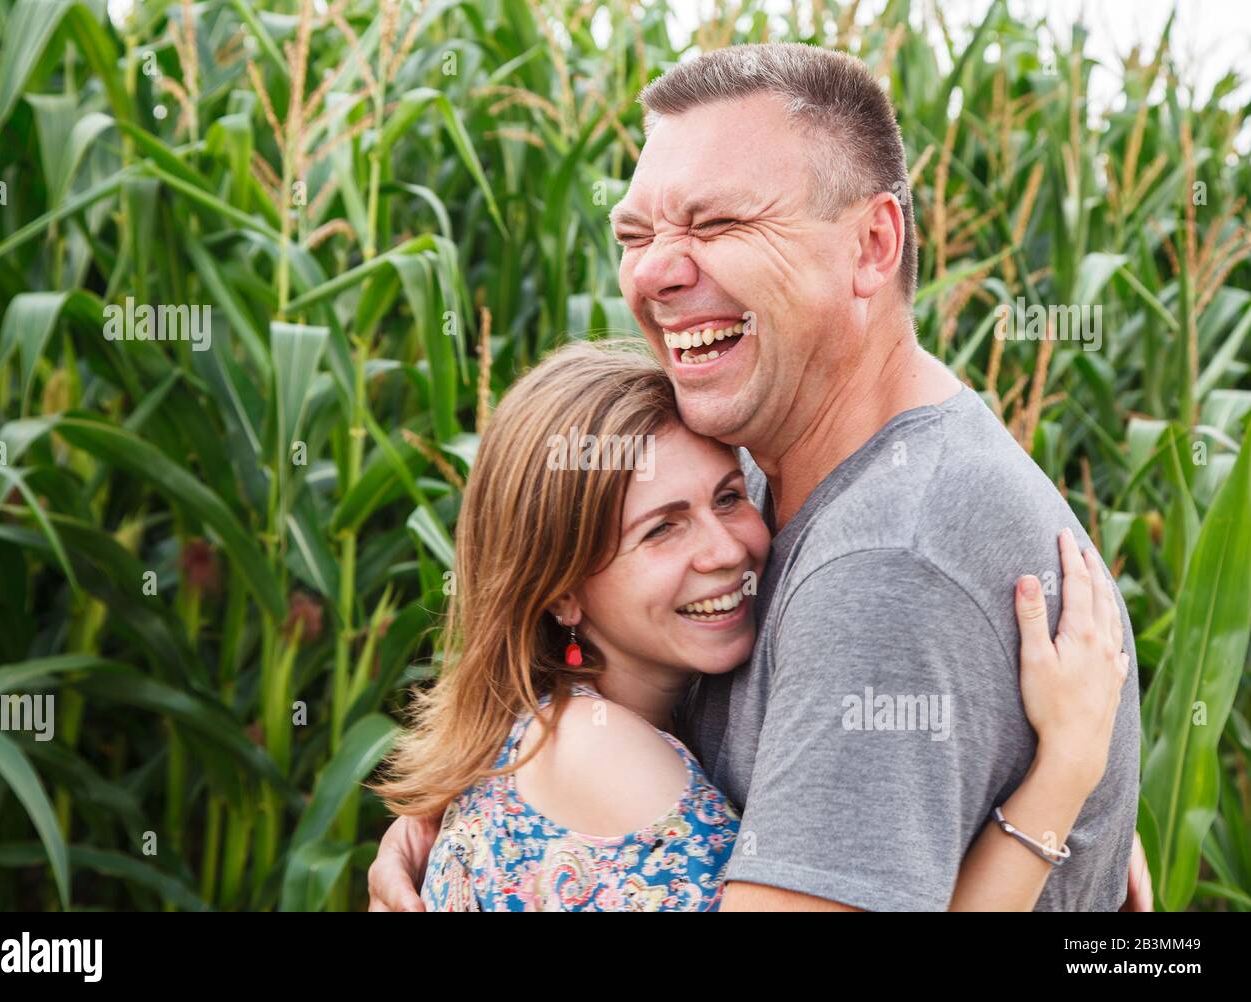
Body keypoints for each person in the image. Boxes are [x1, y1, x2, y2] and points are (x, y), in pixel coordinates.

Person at [372, 43, 1146, 911]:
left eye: (717, 225)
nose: (653, 270)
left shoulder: (886, 565)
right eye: (634, 234)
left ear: (872, 244)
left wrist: (1070, 805)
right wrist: (478, 827)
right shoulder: (777, 475)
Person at [372, 341, 1130, 911]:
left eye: (730, 496)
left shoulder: (554, 730)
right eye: (662, 530)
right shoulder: (606, 759)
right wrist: (1064, 777)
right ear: (563, 593)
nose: (726, 548)